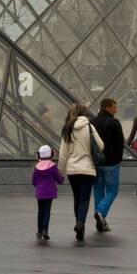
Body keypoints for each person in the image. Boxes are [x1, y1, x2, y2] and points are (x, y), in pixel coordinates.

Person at [59, 103, 104, 242]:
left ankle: (79, 225)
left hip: (72, 169)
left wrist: (60, 171)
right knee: (85, 198)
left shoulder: (68, 128)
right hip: (88, 168)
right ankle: (80, 223)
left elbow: (63, 153)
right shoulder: (90, 127)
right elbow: (101, 145)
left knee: (77, 198)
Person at [91, 97, 124, 233]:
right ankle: (100, 212)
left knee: (98, 190)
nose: (116, 110)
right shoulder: (114, 122)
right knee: (112, 191)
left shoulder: (92, 122)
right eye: (114, 107)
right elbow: (120, 142)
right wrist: (118, 158)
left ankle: (102, 221)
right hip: (111, 162)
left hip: (97, 163)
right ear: (107, 107)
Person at [31, 144, 65, 242]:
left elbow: (33, 181)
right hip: (49, 193)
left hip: (40, 193)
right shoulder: (53, 166)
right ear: (50, 154)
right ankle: (45, 230)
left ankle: (39, 230)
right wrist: (62, 178)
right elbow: (58, 179)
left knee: (40, 211)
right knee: (47, 211)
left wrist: (38, 186)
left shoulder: (37, 167)